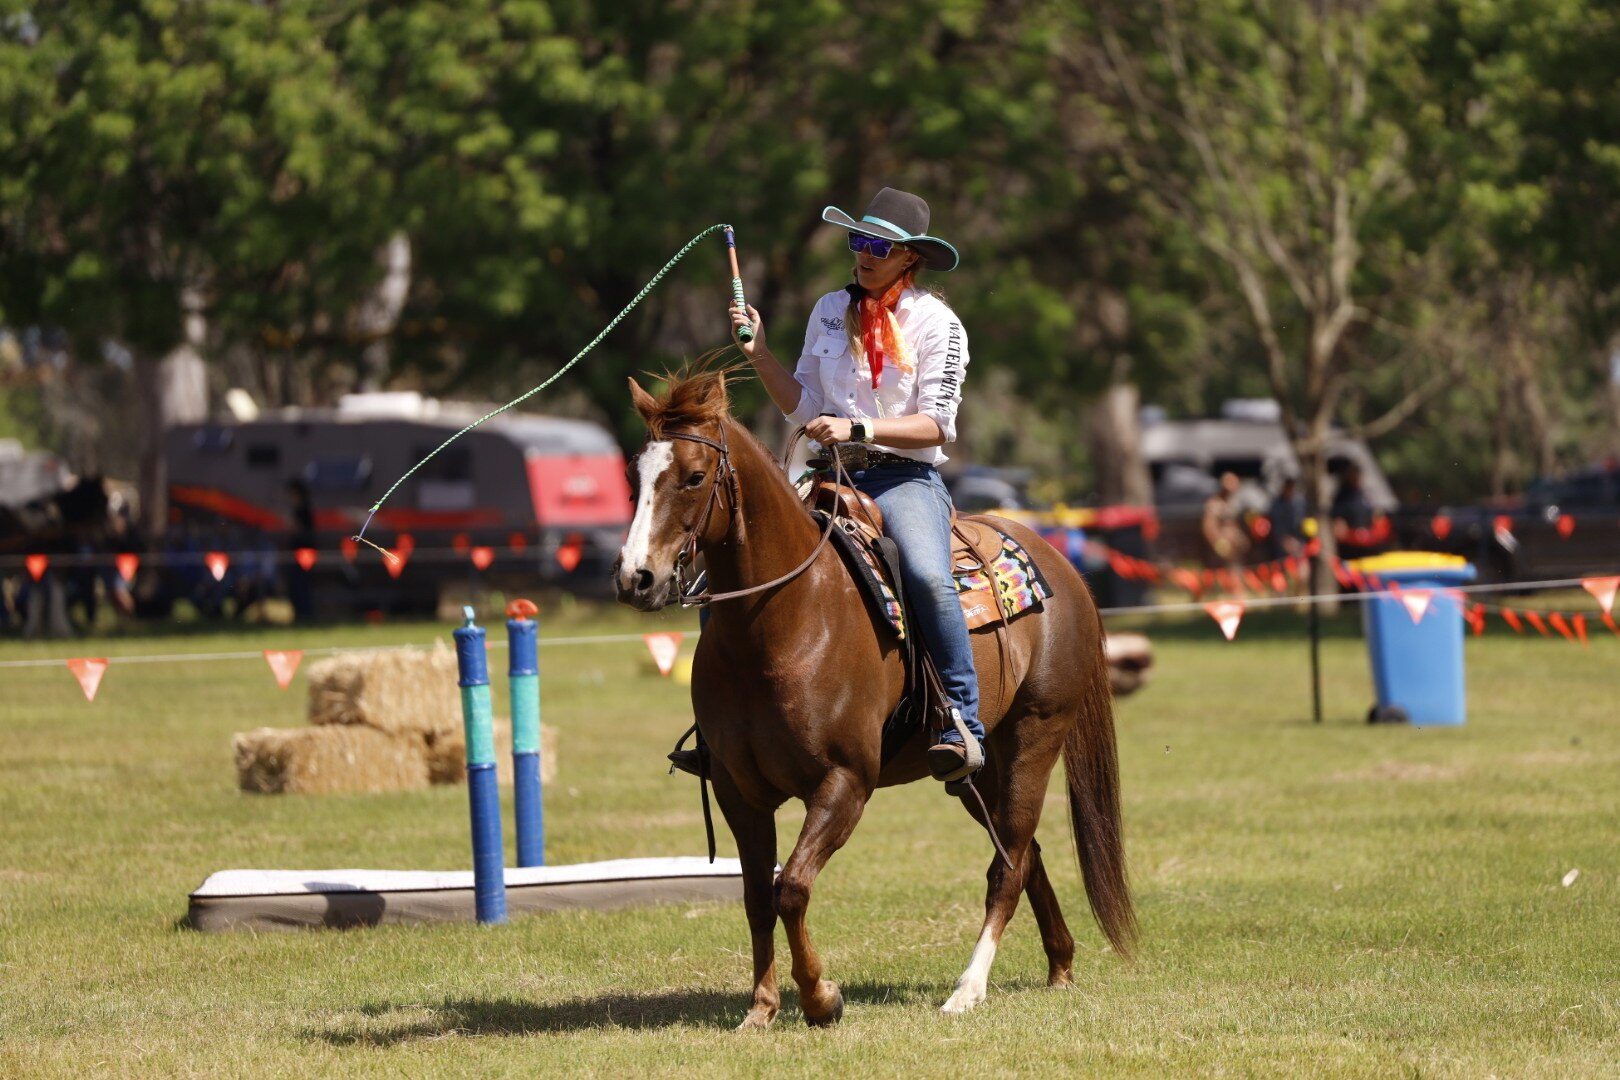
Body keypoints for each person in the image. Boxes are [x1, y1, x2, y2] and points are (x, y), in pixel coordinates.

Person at [729, 186, 981, 783]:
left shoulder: (938, 324)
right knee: (737, 564)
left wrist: (858, 425)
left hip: (902, 477)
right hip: (827, 473)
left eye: (878, 245)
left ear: (908, 259)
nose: (863, 254)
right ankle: (723, 726)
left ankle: (962, 720)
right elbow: (804, 404)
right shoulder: (824, 310)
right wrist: (760, 354)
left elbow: (936, 425)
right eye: (857, 240)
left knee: (926, 575)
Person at [1330, 463, 1391, 561]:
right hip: (1350, 546)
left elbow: (1374, 513)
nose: (1356, 477)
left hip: (1368, 541)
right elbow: (1338, 523)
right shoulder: (1342, 496)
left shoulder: (1364, 494)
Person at [1201, 471, 1250, 574]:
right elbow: (1209, 526)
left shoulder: (1231, 503)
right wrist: (1218, 542)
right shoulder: (1215, 504)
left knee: (1237, 568)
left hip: (1234, 546)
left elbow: (1233, 523)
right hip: (1222, 544)